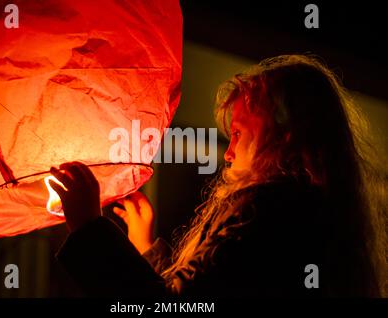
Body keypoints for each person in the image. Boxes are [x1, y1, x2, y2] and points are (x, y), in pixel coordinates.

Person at [49, 55, 386, 298]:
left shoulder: (269, 212)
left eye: (238, 133)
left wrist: (89, 228)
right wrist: (145, 246)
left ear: (282, 135)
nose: (227, 154)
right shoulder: (309, 216)